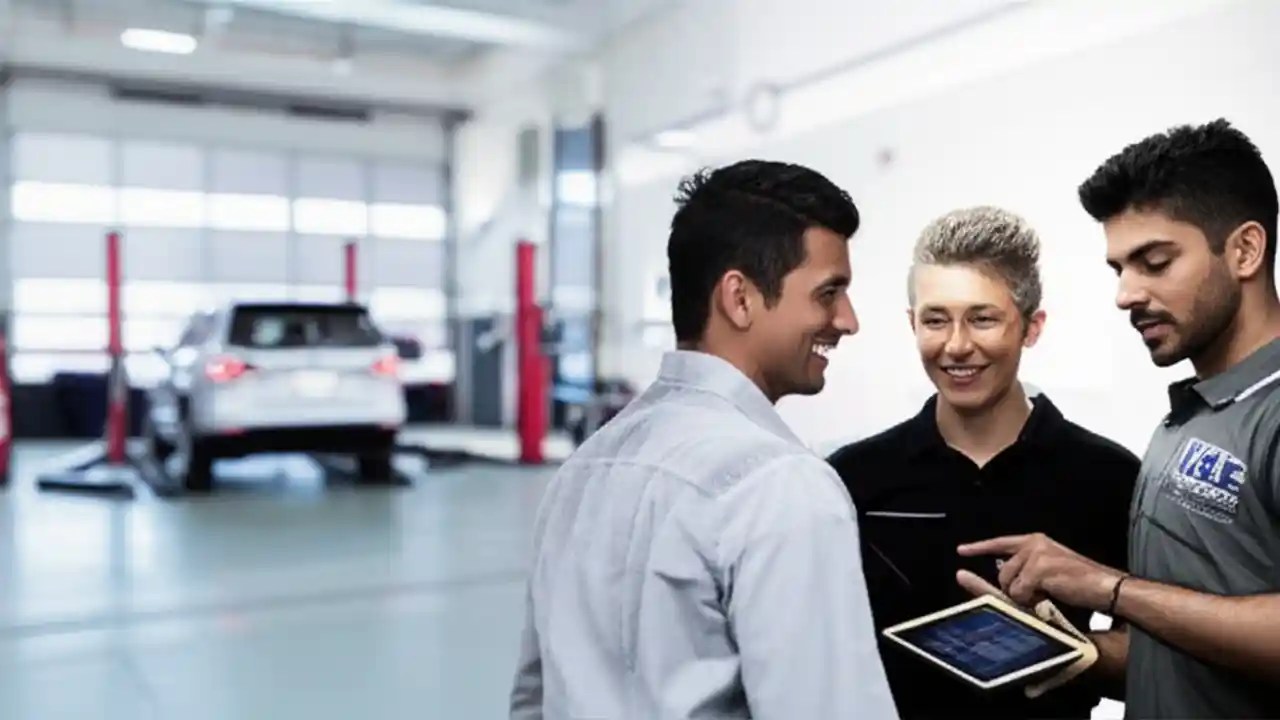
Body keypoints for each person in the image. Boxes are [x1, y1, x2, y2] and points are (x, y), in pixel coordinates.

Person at [508, 160, 898, 720]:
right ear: (739, 299)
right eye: (828, 292)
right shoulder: (783, 488)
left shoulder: (584, 470)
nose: (848, 319)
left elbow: (533, 700)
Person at [958, 118, 1280, 718]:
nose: (1126, 294)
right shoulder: (1185, 420)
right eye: (1119, 269)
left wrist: (1110, 588)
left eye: (1154, 262)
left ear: (1245, 250)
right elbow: (1179, 659)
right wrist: (1065, 647)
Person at [825, 206, 1139, 718]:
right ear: (912, 324)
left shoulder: (1109, 476)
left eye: (983, 318)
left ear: (1032, 327)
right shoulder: (855, 477)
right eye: (935, 320)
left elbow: (1167, 669)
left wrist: (1069, 653)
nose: (956, 346)